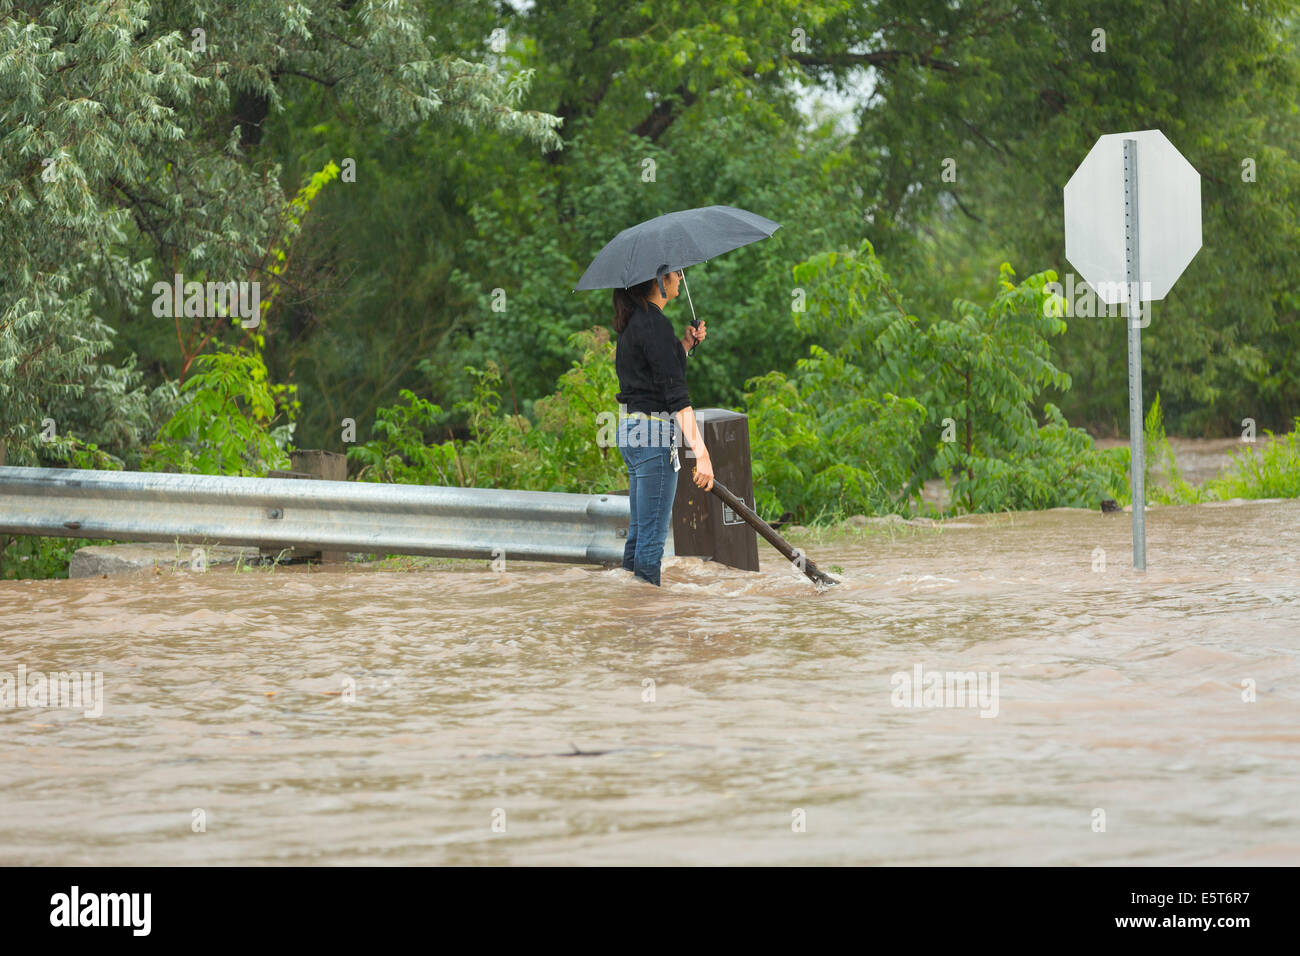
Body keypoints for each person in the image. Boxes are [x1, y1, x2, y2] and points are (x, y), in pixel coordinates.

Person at [611, 268, 713, 587]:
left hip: (630, 431)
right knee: (652, 543)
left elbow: (656, 374)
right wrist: (703, 454)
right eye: (675, 273)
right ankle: (648, 624)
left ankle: (631, 606)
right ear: (658, 281)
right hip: (653, 436)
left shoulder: (635, 323)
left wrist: (685, 343)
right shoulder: (655, 325)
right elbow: (677, 397)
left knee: (640, 535)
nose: (680, 278)